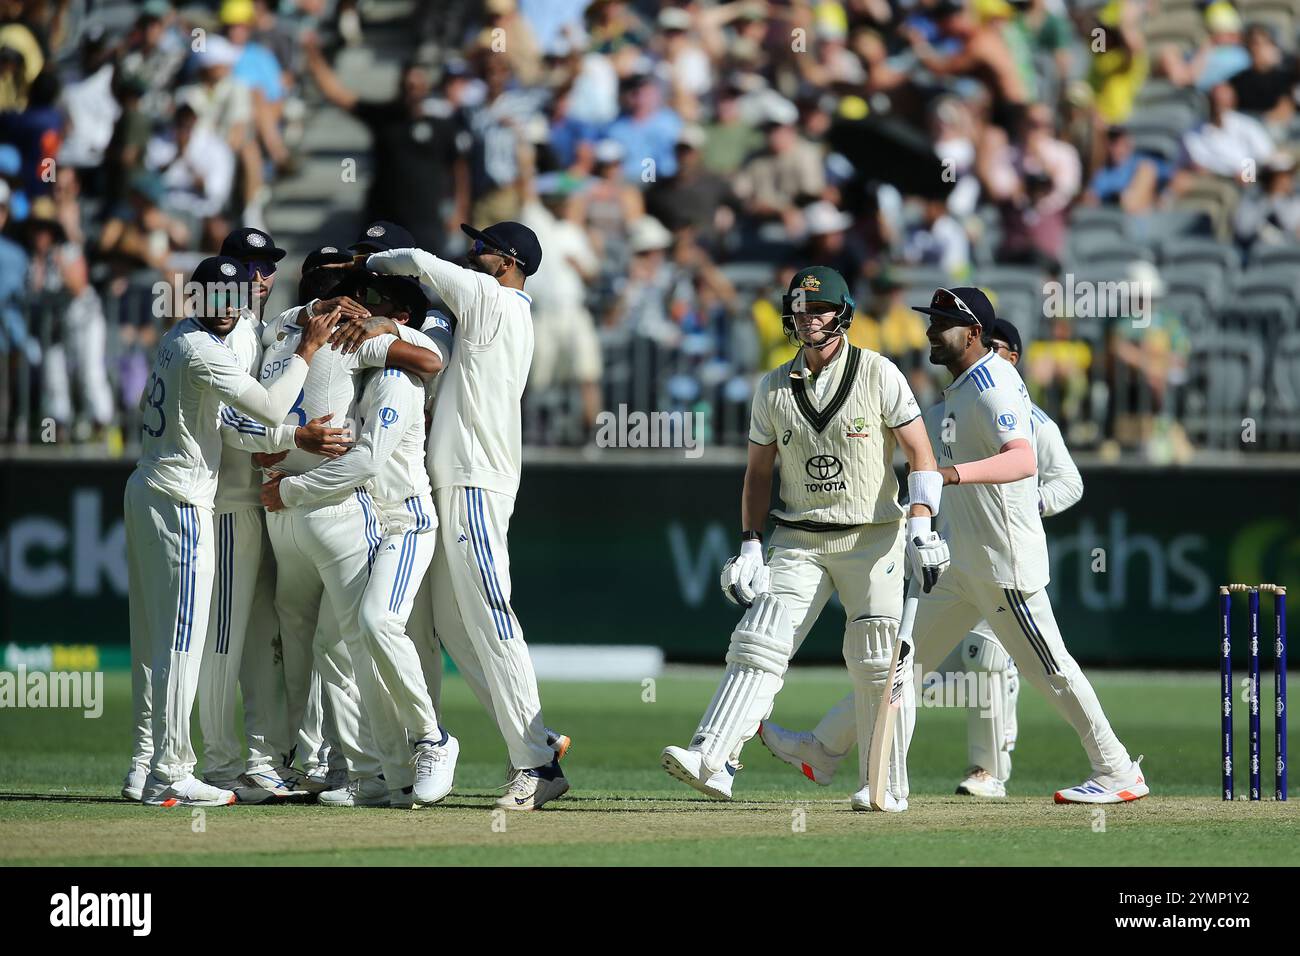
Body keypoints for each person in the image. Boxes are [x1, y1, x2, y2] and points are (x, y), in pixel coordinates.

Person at [659, 266, 950, 812]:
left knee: (878, 657)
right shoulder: (772, 387)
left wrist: (920, 523)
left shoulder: (879, 373)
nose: (807, 319)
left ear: (842, 314)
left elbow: (921, 455)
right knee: (760, 639)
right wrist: (749, 542)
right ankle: (713, 760)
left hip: (874, 536)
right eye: (800, 309)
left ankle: (884, 783)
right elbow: (758, 476)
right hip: (798, 537)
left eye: (818, 310)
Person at [760, 317, 1085, 797]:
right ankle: (833, 753)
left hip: (999, 557)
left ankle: (988, 771)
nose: (989, 355)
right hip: (949, 563)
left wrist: (1027, 502)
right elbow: (915, 471)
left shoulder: (1034, 421)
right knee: (897, 667)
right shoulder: (938, 414)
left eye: (999, 347)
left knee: (987, 658)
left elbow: (1067, 482)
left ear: (1013, 358)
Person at [899, 288, 1144, 802]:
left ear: (971, 334)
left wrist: (949, 475)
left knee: (1052, 671)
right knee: (902, 661)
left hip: (1002, 567)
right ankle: (828, 751)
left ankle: (1117, 771)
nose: (929, 331)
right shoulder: (962, 389)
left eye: (941, 323)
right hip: (963, 566)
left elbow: (1024, 462)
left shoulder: (992, 385)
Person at [363, 220, 571, 810]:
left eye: (481, 248)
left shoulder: (496, 298)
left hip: (475, 480)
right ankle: (538, 741)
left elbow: (416, 260)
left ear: (506, 263)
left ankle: (536, 763)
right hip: (457, 479)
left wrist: (370, 265)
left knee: (491, 614)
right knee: (458, 628)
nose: (472, 253)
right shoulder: (484, 310)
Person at [121, 256, 331, 807]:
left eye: (235, 295)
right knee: (181, 642)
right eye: (216, 295)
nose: (227, 306)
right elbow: (269, 407)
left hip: (147, 488)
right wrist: (306, 352)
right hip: (183, 502)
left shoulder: (175, 338)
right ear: (197, 297)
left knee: (152, 640)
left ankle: (146, 767)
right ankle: (171, 771)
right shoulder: (201, 350)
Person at [262, 272, 455, 808]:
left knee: (375, 624)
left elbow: (367, 458)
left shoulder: (398, 379)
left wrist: (293, 489)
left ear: (400, 321)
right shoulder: (365, 368)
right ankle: (379, 778)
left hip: (406, 521)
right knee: (337, 645)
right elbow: (278, 335)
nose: (359, 316)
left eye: (376, 308)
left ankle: (432, 740)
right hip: (373, 516)